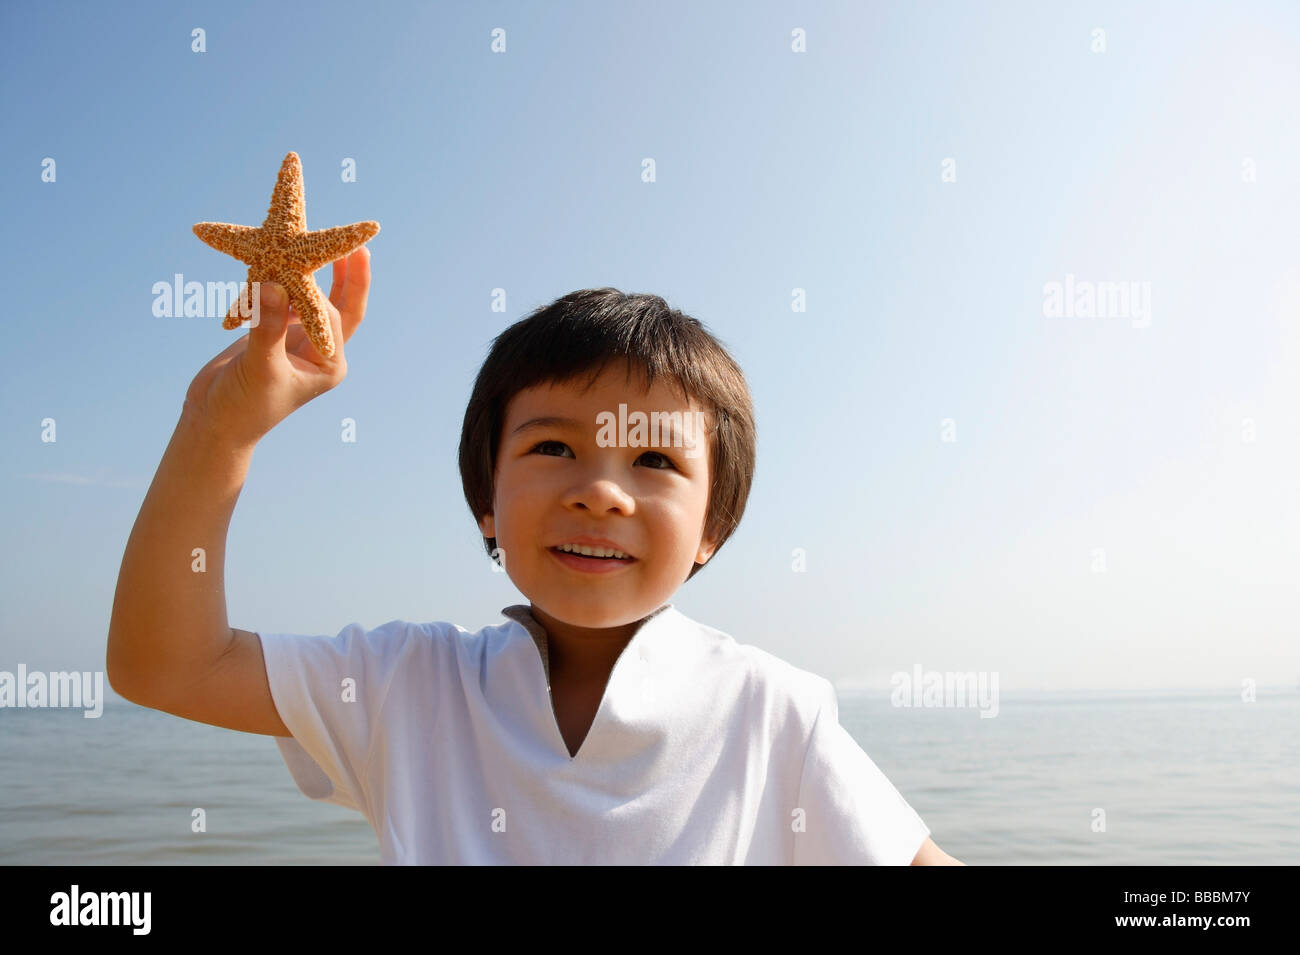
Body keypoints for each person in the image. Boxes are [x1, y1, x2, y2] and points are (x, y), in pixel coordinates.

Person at [107, 247, 963, 865]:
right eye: (553, 447)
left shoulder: (772, 711)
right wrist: (216, 427)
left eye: (655, 460)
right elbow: (166, 665)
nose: (600, 490)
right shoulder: (408, 685)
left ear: (714, 526)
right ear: (487, 501)